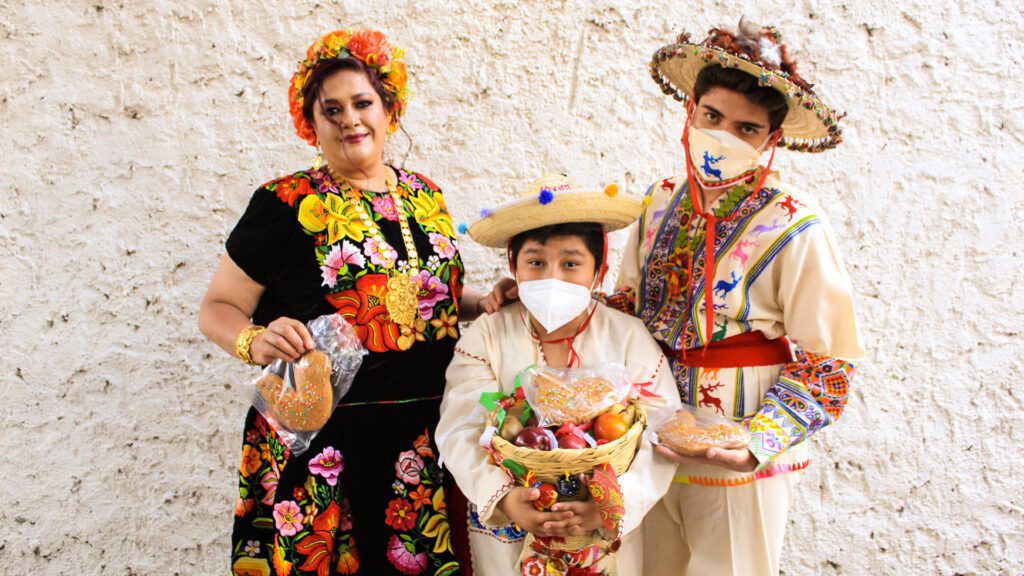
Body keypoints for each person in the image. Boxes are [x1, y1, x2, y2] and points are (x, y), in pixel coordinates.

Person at [483, 20, 864, 576]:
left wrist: (758, 439)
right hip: (645, 442)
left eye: (747, 128)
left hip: (740, 444)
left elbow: (832, 361)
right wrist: (539, 293)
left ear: (772, 140)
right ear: (690, 110)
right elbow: (628, 312)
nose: (723, 136)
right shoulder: (661, 201)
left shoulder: (797, 226)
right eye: (712, 117)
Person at [198, 27, 482, 576]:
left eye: (362, 103)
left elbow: (427, 299)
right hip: (323, 444)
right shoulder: (283, 203)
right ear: (313, 122)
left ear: (389, 109)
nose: (350, 119)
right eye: (332, 109)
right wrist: (254, 340)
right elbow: (217, 308)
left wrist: (484, 302)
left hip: (422, 435)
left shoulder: (425, 196)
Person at [437, 174, 682, 575]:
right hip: (511, 535)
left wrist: (614, 503)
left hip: (603, 534)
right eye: (536, 263)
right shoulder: (488, 334)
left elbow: (661, 433)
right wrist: (503, 499)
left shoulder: (627, 336)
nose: (552, 278)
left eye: (571, 263)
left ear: (598, 272)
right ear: (513, 267)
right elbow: (459, 428)